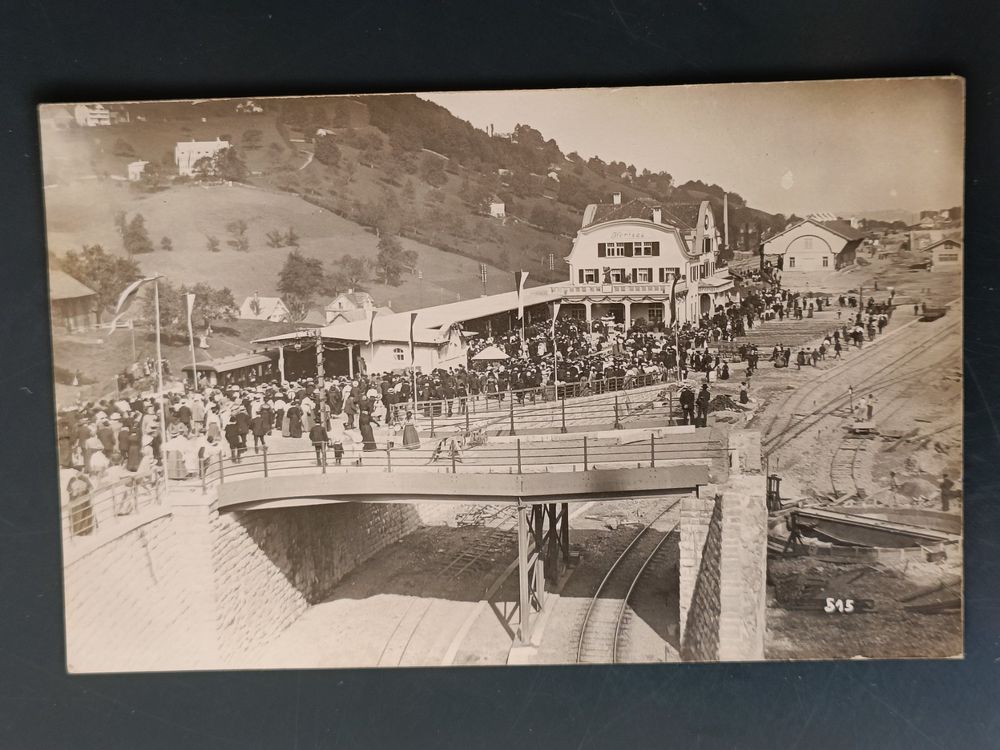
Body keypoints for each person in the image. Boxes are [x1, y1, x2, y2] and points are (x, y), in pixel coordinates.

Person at [66, 469, 94, 536]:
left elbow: (91, 487)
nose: (78, 473)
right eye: (77, 472)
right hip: (76, 502)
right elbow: (69, 490)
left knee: (84, 514)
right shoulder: (72, 479)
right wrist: (74, 492)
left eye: (79, 471)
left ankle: (84, 530)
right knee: (77, 515)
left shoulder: (84, 478)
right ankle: (77, 531)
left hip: (84, 501)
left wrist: (84, 490)